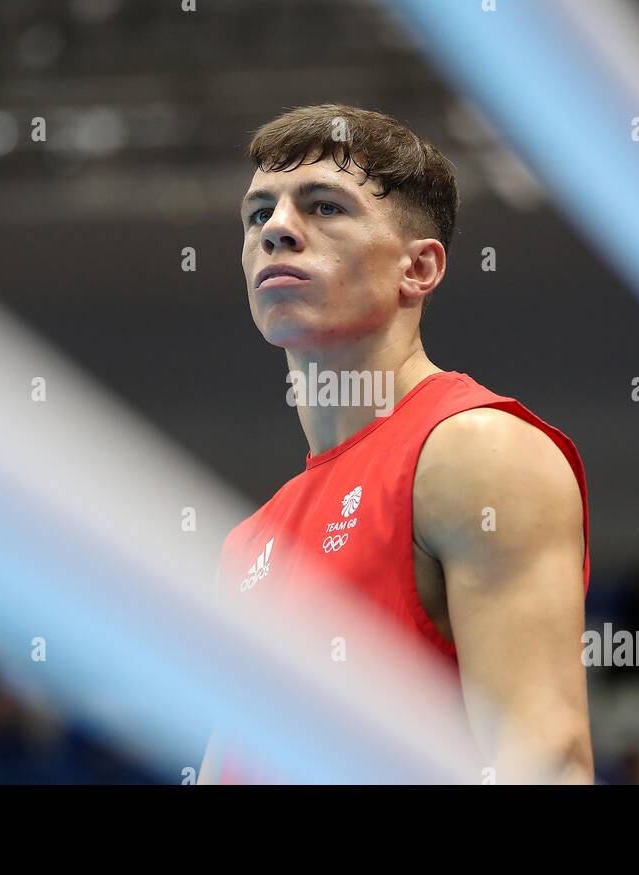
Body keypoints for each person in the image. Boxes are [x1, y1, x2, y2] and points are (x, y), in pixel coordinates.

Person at [198, 104, 592, 784]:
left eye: (323, 207)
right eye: (258, 214)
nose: (277, 231)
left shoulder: (476, 452)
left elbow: (546, 762)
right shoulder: (249, 543)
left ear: (419, 268)